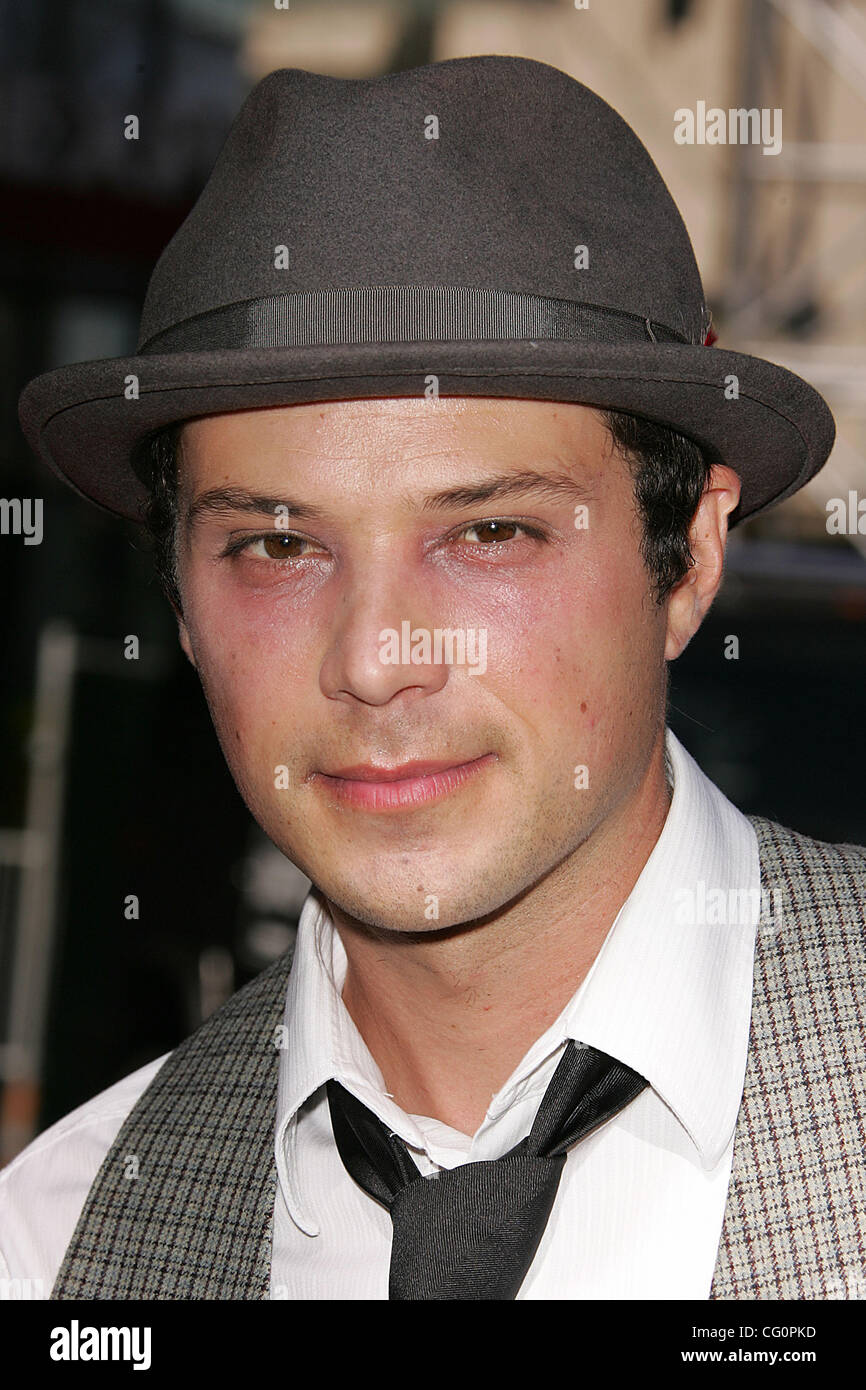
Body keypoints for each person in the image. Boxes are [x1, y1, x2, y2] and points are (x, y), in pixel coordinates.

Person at [4, 54, 865, 1301]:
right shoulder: (58, 1244)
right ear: (181, 607)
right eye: (277, 546)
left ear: (687, 560)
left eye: (486, 534)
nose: (373, 659)